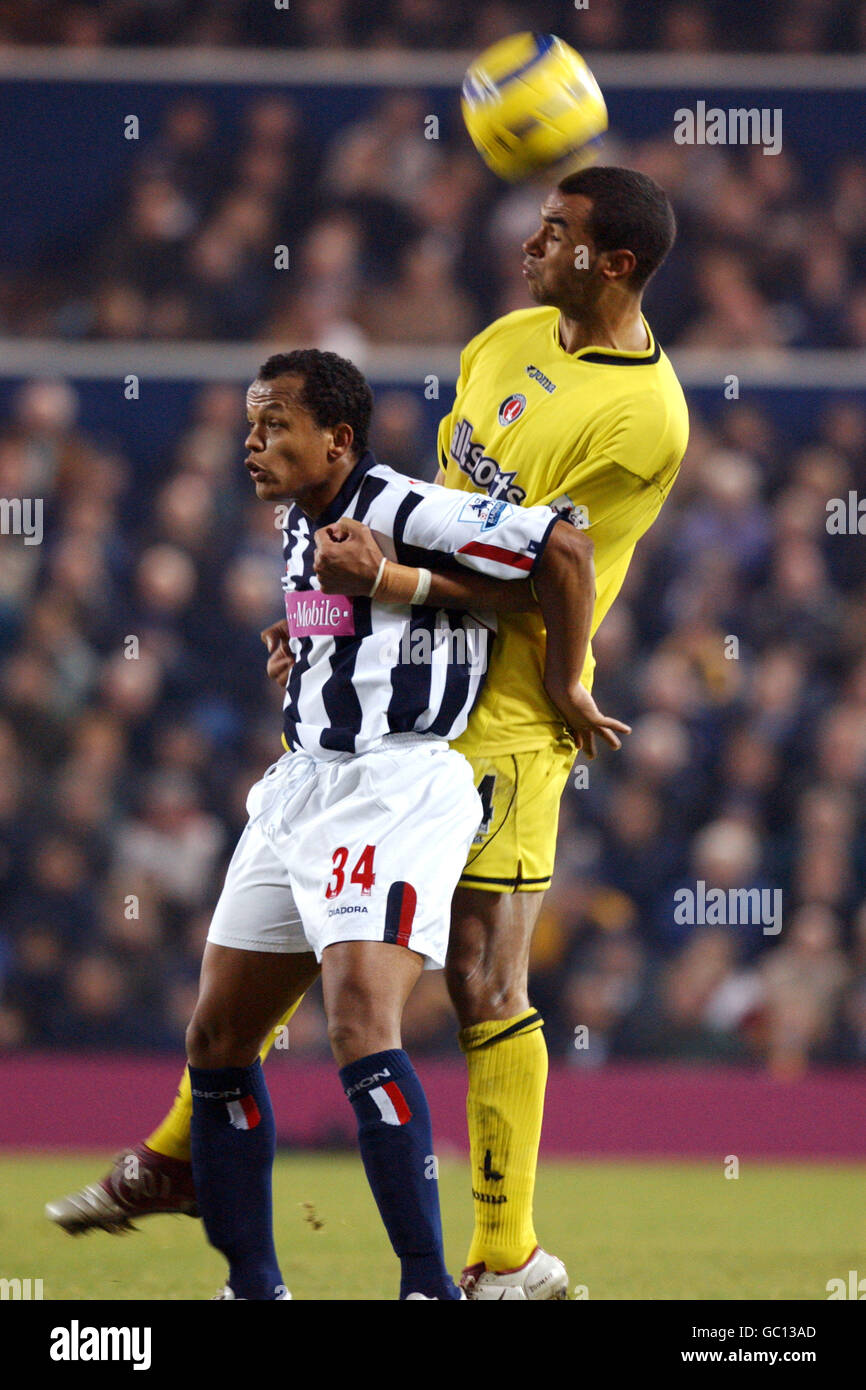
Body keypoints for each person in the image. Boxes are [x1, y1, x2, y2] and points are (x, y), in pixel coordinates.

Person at [48, 164, 687, 1300]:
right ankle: (193, 1162)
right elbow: (424, 520)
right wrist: (327, 623)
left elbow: (539, 567)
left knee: (479, 978)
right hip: (406, 680)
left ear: (615, 261)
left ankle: (490, 1256)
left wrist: (555, 671)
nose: (529, 242)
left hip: (511, 710)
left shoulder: (644, 420)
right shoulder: (503, 343)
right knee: (318, 962)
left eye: (555, 231)